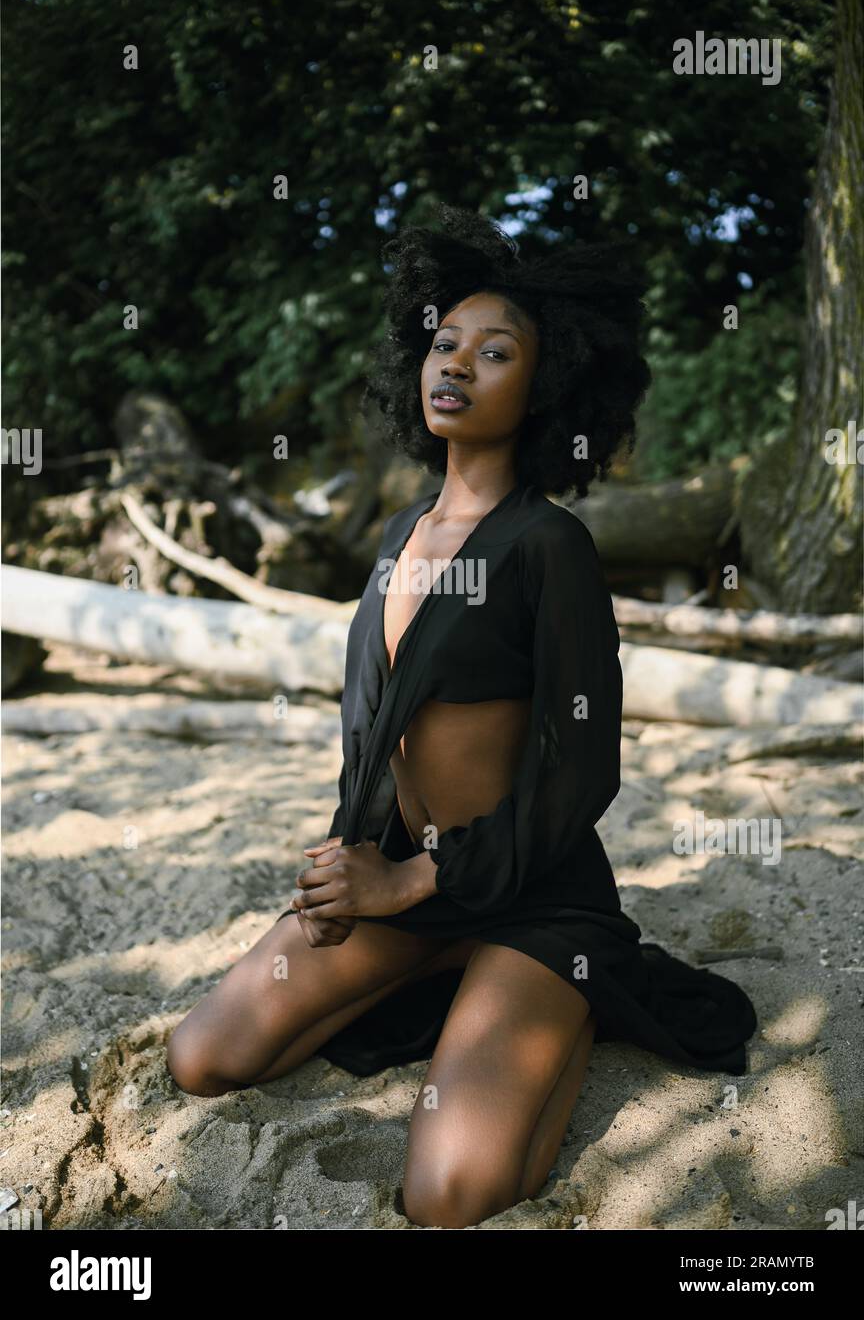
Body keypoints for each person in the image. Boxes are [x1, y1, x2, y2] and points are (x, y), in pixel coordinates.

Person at [166, 203, 758, 1229]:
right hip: (408, 884)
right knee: (202, 1057)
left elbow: (583, 772)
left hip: (533, 894)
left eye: (496, 353)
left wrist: (412, 880)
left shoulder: (549, 546)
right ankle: (448, 964)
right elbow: (374, 730)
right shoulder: (399, 536)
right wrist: (350, 858)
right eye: (446, 343)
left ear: (546, 386)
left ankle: (573, 994)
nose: (458, 365)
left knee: (448, 1195)